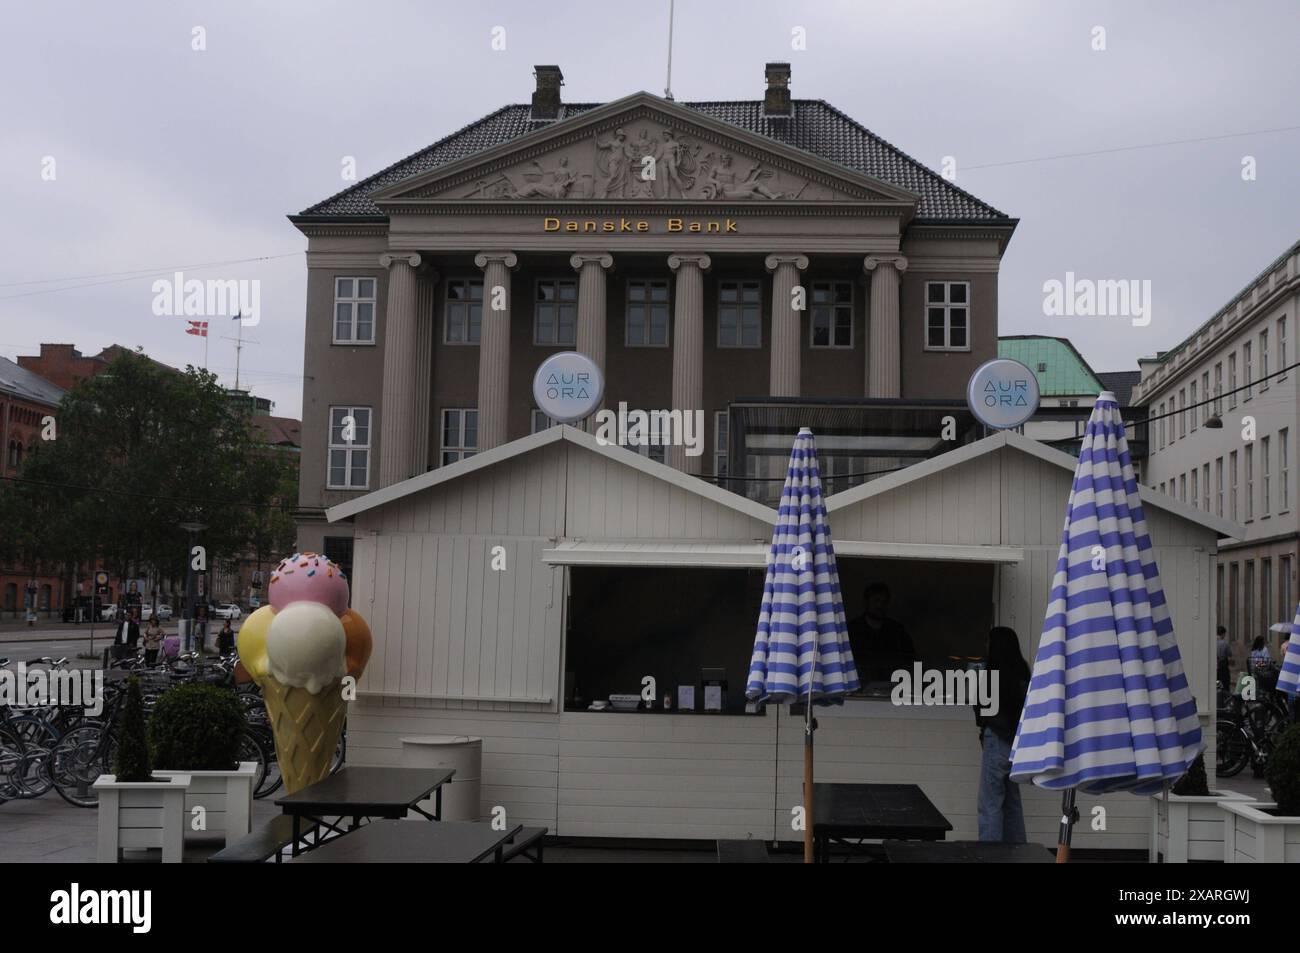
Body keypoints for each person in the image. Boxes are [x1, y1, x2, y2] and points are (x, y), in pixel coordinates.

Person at [975, 626, 1031, 843]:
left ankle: (990, 853)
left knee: (990, 802)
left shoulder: (991, 671)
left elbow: (982, 708)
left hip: (996, 737)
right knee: (1012, 801)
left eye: (988, 642)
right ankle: (1018, 851)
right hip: (1017, 741)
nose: (986, 646)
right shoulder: (1021, 669)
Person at [846, 582, 916, 684]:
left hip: (893, 688)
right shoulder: (853, 630)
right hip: (861, 690)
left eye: (884, 602)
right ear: (866, 603)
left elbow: (910, 660)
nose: (880, 606)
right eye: (876, 601)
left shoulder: (897, 631)